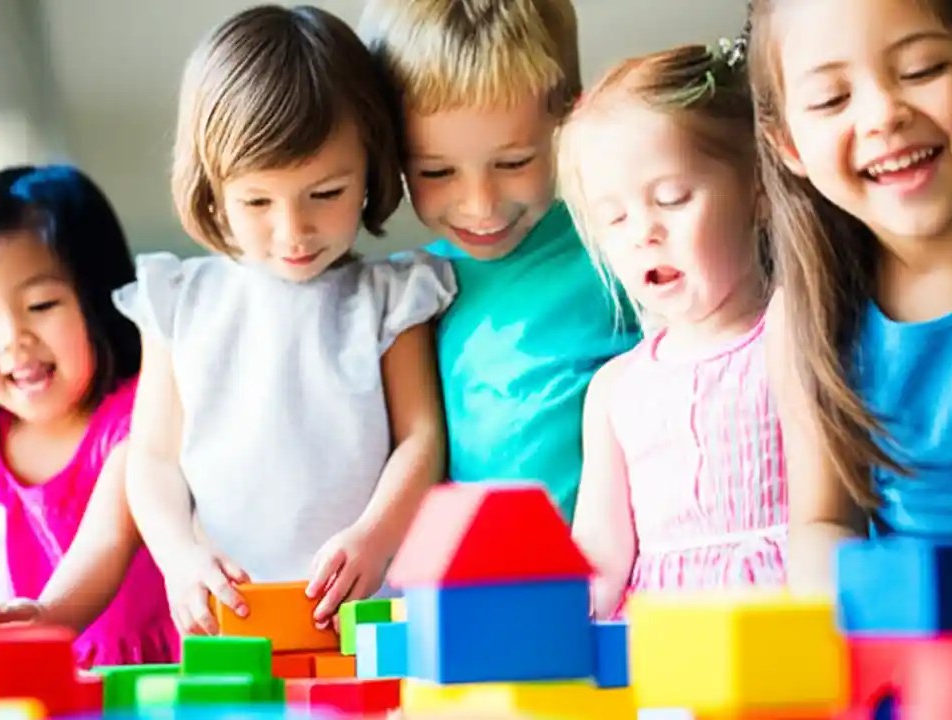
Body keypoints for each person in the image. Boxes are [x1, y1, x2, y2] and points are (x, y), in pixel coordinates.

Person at [116, 5, 454, 636]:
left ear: (370, 168)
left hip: (366, 613)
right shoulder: (180, 299)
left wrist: (375, 538)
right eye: (257, 201)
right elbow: (153, 458)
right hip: (226, 616)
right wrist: (178, 558)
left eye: (325, 194)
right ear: (213, 189)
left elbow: (421, 438)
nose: (292, 230)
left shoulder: (390, 297)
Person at [750, 0, 952, 664]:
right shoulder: (807, 319)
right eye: (832, 97)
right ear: (789, 147)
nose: (882, 114)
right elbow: (822, 521)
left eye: (920, 69)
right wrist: (878, 663)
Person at [359, 0, 640, 522]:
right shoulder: (407, 295)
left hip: (615, 586)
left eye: (514, 162)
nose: (481, 205)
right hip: (472, 591)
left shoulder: (624, 247)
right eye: (437, 172)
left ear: (572, 120)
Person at [558, 43, 786, 619]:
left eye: (671, 199)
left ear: (758, 192)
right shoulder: (614, 392)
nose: (644, 234)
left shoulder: (793, 338)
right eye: (615, 218)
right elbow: (600, 558)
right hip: (661, 646)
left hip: (785, 625)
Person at [0, 165, 176, 666]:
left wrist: (48, 615)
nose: (12, 338)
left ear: (100, 300)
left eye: (40, 304)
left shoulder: (139, 413)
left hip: (155, 667)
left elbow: (109, 537)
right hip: (50, 663)